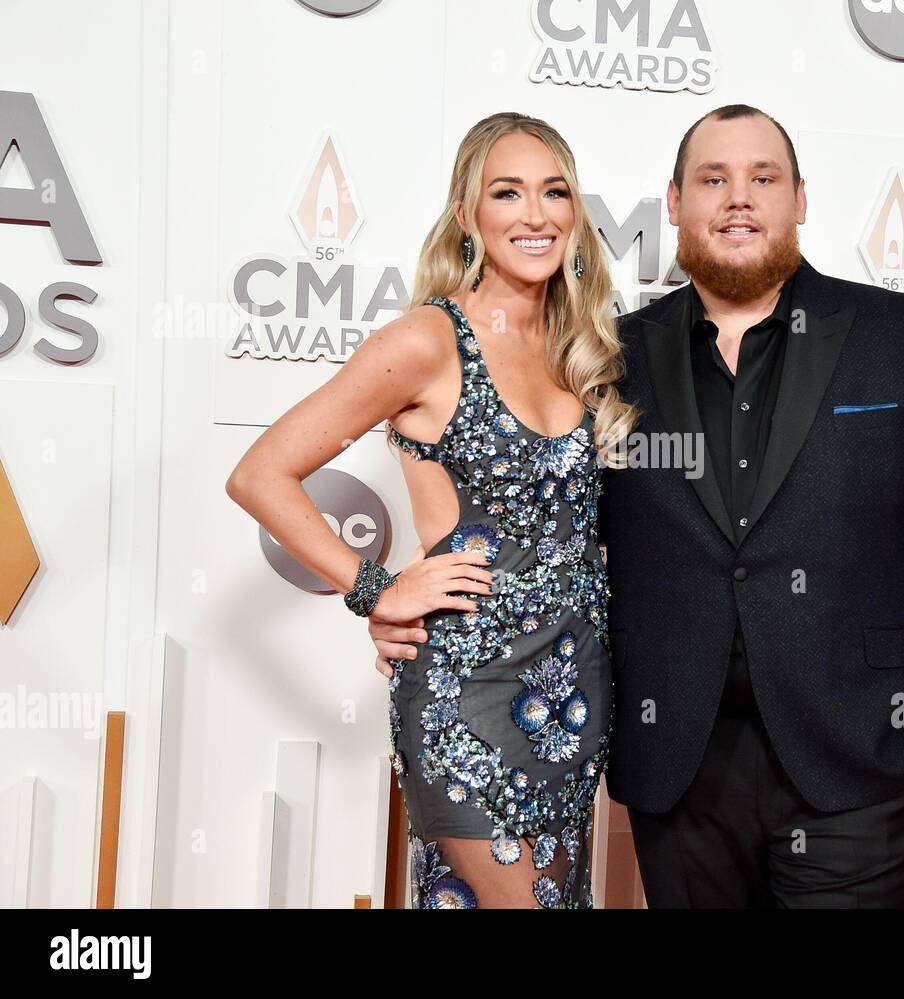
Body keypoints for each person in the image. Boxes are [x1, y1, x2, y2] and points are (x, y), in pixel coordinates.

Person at [370, 104, 904, 909]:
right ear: (674, 202)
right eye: (713, 179)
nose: (737, 198)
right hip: (682, 775)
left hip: (870, 767)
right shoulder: (606, 356)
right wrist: (409, 603)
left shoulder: (903, 336)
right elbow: (547, 525)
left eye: (762, 178)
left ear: (801, 198)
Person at [227, 111, 636, 909]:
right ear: (467, 215)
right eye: (507, 193)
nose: (536, 214)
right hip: (468, 704)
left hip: (575, 706)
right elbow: (260, 473)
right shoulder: (429, 339)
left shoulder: (577, 347)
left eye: (555, 192)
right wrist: (375, 589)